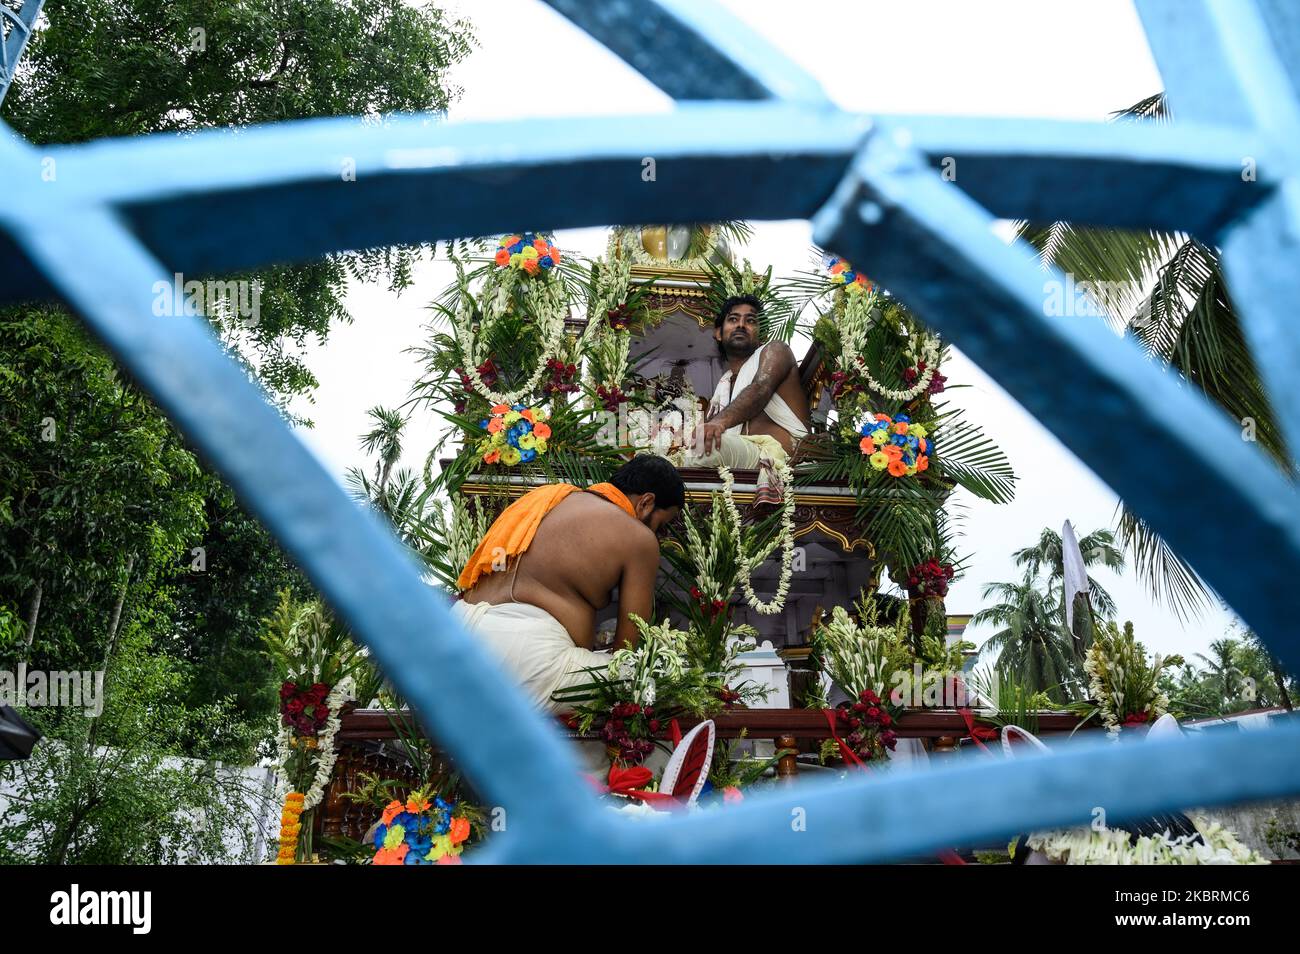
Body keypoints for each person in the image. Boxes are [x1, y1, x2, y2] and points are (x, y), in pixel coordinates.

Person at [452, 455, 684, 712]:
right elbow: (627, 652)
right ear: (646, 502)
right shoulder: (639, 538)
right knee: (649, 683)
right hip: (522, 659)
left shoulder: (548, 498)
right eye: (662, 526)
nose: (659, 537)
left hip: (457, 632)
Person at [685, 295, 811, 491]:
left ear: (760, 334)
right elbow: (703, 433)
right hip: (737, 463)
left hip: (780, 456)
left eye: (750, 320)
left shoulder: (776, 350)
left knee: (703, 452)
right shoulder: (724, 385)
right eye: (733, 319)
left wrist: (718, 423)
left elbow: (760, 389)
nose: (741, 325)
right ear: (718, 333)